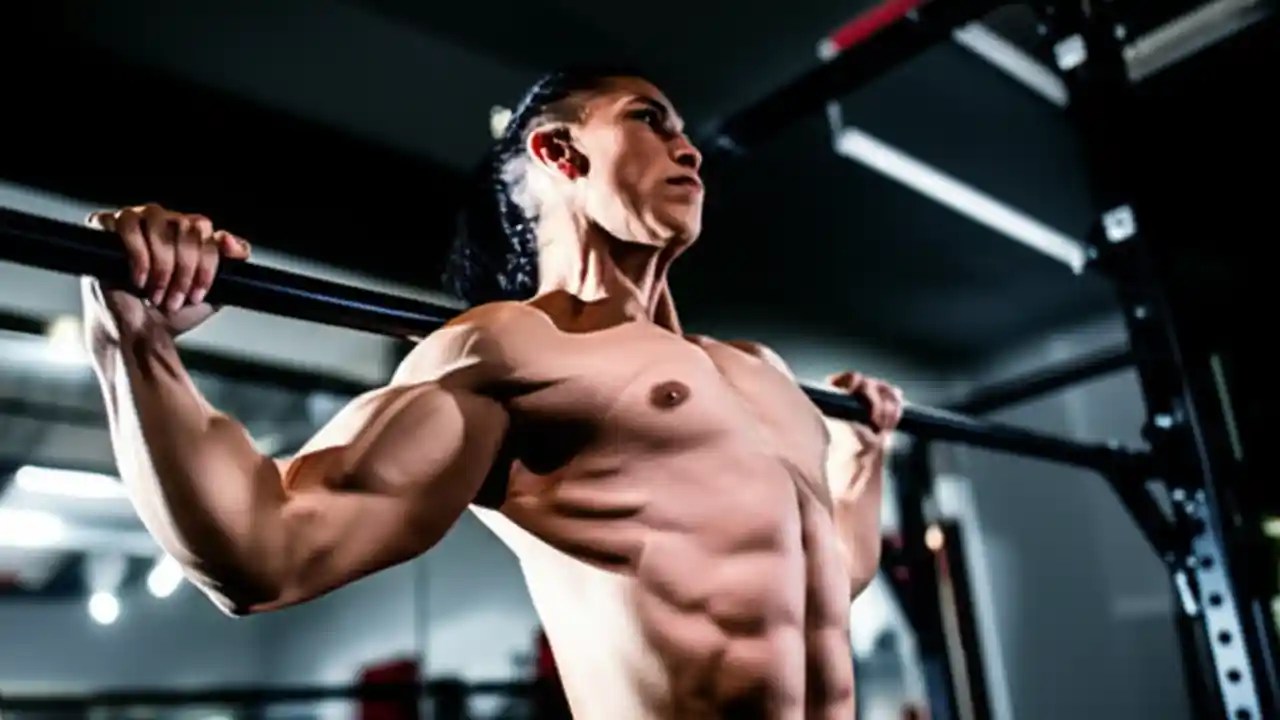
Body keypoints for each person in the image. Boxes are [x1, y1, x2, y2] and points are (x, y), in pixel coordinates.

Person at [79, 66, 905, 719]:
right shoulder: (511, 351)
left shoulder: (760, 374)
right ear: (558, 152)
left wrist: (864, 459)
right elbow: (263, 552)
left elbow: (827, 573)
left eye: (685, 130)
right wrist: (132, 341)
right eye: (648, 118)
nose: (688, 148)